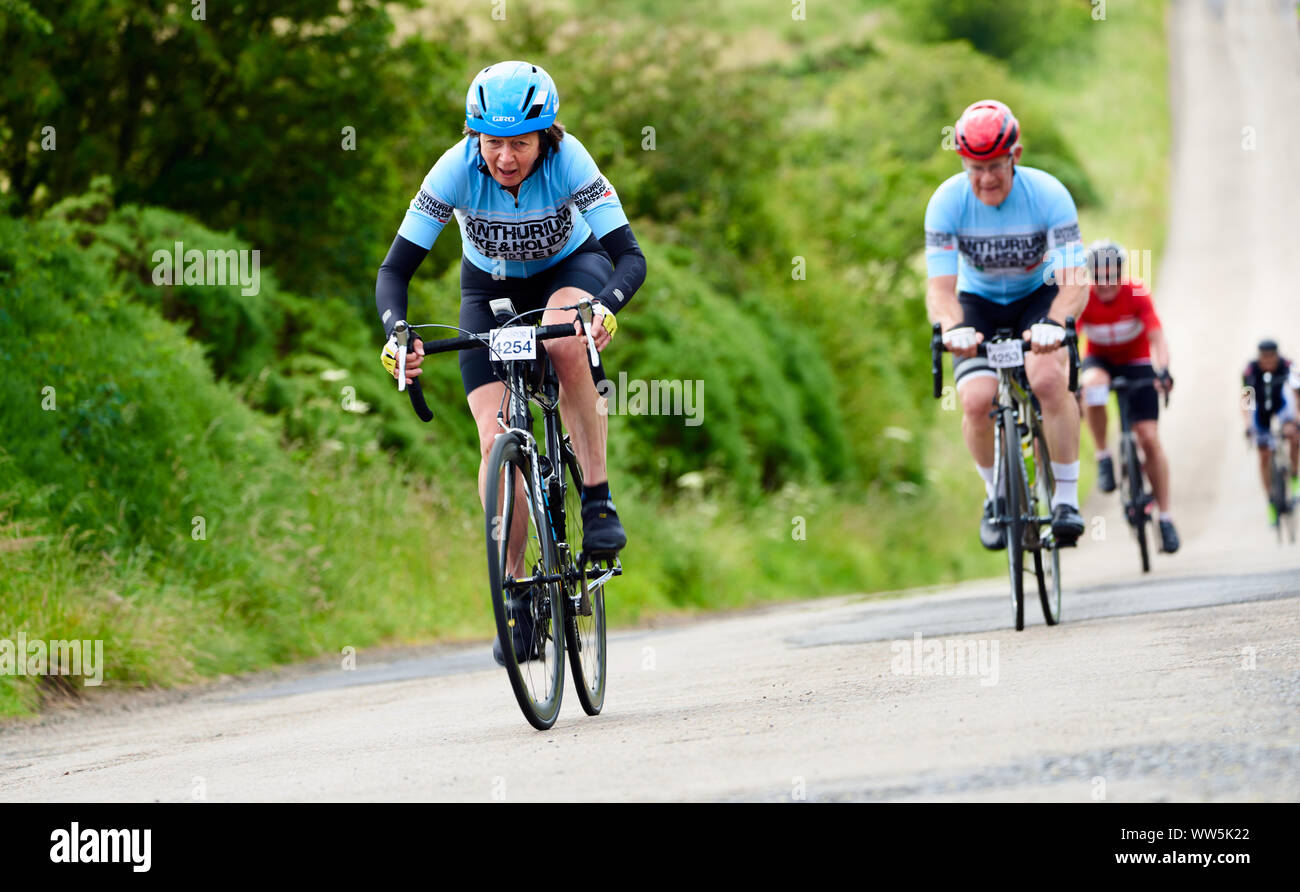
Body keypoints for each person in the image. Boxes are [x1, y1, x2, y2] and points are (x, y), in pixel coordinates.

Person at [374, 61, 646, 663]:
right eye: (492, 142)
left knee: (563, 335)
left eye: (518, 143)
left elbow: (629, 255)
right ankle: (517, 595)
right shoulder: (453, 169)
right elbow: (394, 271)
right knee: (494, 440)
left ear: (544, 136)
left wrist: (605, 307)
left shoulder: (570, 159)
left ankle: (597, 499)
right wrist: (398, 334)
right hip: (488, 293)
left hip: (574, 271)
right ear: (475, 137)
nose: (503, 157)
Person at [924, 99, 1089, 550]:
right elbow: (940, 291)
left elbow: (1076, 281)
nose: (986, 179)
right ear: (962, 162)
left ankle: (1067, 502)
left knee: (1049, 379)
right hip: (977, 304)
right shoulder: (946, 202)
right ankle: (995, 494)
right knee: (976, 400)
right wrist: (954, 327)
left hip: (1038, 299)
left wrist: (1055, 323)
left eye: (995, 165)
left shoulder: (1049, 194)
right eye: (974, 168)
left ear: (1015, 155)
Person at [1076, 240, 1179, 553]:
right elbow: (1072, 339)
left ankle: (1165, 517)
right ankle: (1104, 455)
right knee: (1092, 385)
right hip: (1100, 360)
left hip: (1136, 361)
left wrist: (1163, 371)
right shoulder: (1083, 297)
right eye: (1100, 276)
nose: (1106, 283)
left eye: (1112, 275)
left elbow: (1157, 338)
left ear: (1121, 273)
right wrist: (1070, 378)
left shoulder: (1136, 292)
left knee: (1149, 438)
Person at [1241, 339, 1300, 524]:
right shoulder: (1250, 372)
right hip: (1261, 411)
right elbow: (1246, 401)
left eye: (1270, 357)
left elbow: (1297, 395)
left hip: (1283, 406)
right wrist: (1248, 426)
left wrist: (1296, 420)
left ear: (1277, 355)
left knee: (1293, 436)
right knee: (1264, 454)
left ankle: (1294, 477)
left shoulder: (1288, 367)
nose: (1267, 362)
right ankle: (1271, 502)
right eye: (1263, 358)